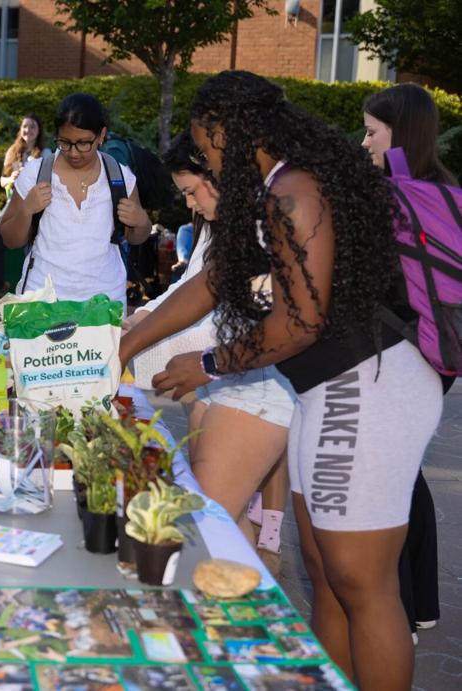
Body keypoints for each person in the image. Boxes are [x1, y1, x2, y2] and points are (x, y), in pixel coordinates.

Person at [121, 71, 442, 689]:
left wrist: (207, 365)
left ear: (230, 132)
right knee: (324, 569)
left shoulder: (295, 191)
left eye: (208, 147)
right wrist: (131, 341)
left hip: (368, 385)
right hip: (329, 390)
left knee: (361, 581)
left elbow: (302, 322)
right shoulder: (272, 190)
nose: (209, 161)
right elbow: (212, 282)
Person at [124, 133, 293, 571]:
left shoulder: (269, 217)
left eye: (192, 191)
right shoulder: (240, 223)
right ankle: (248, 621)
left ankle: (251, 623)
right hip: (233, 380)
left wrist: (206, 363)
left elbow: (283, 326)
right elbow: (200, 289)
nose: (192, 205)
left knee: (203, 531)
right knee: (226, 529)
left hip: (260, 387)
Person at [362, 82, 457, 638]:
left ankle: (394, 600)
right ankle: (416, 602)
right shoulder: (444, 189)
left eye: (372, 131)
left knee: (392, 476)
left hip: (403, 350)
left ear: (399, 134)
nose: (364, 142)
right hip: (441, 350)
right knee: (407, 471)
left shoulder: (393, 194)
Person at [0, 93, 152, 304]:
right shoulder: (36, 173)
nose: (74, 152)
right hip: (43, 299)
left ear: (101, 135)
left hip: (104, 302)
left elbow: (136, 237)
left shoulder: (119, 176)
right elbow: (9, 240)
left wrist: (141, 221)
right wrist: (26, 210)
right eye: (65, 143)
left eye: (83, 143)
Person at [0, 114, 44, 192]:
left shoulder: (45, 153)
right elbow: (2, 181)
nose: (28, 130)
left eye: (32, 127)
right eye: (24, 126)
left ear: (39, 130)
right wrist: (11, 179)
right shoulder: (13, 151)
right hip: (14, 200)